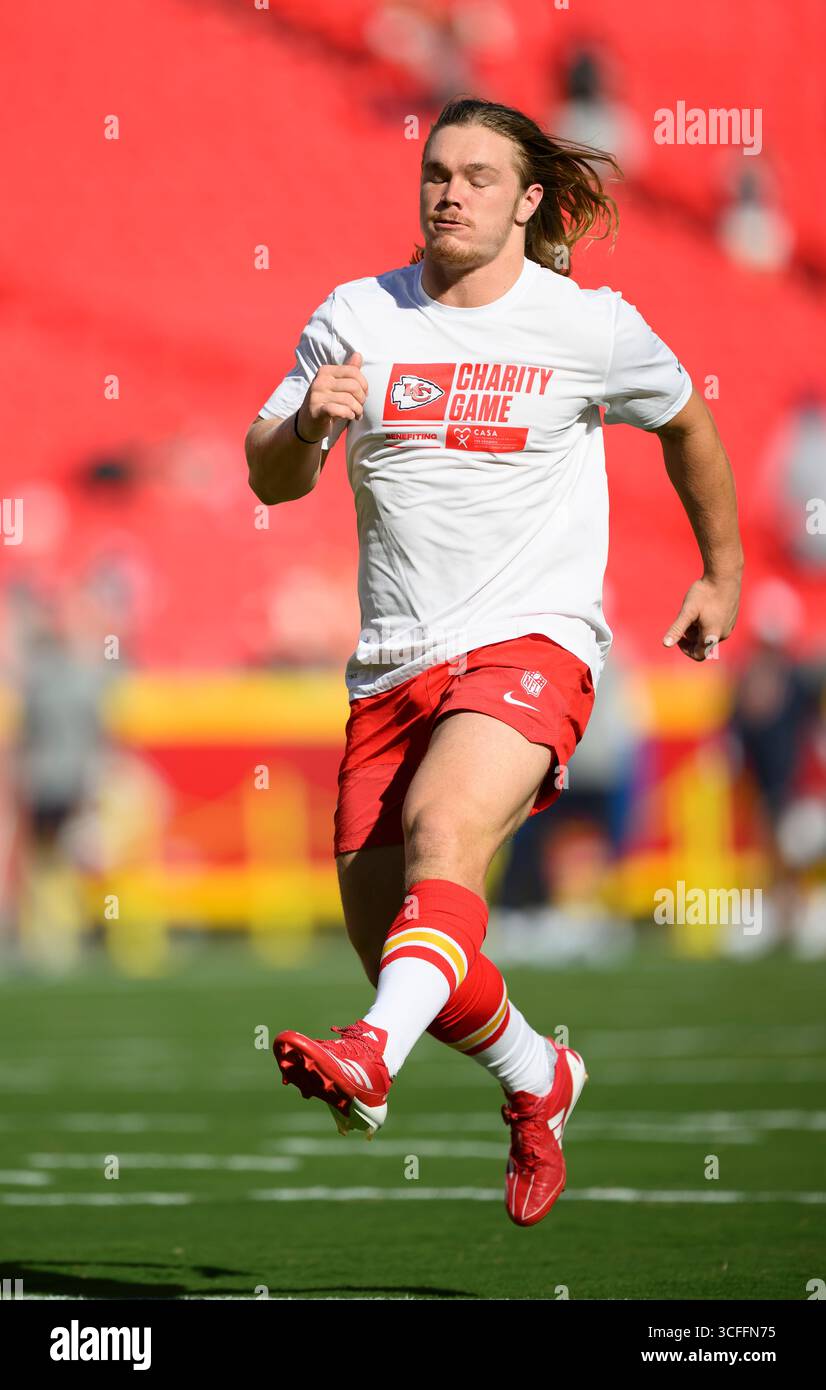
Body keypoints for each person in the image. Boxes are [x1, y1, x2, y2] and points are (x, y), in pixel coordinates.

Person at [244, 97, 743, 1227]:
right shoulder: (355, 316)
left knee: (444, 835)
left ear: (526, 201)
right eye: (435, 172)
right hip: (389, 669)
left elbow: (687, 425)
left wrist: (720, 571)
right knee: (407, 944)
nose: (448, 192)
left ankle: (372, 1056)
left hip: (531, 641)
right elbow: (269, 478)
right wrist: (306, 427)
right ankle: (538, 1074)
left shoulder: (589, 326)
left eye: (476, 175)